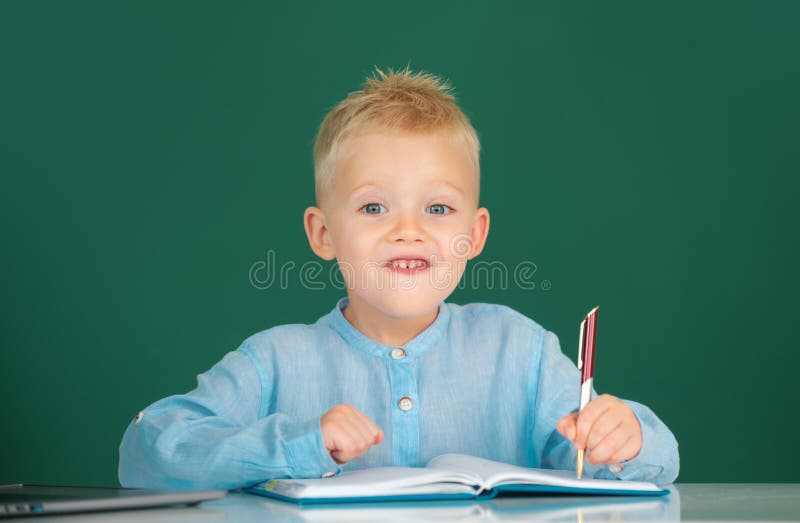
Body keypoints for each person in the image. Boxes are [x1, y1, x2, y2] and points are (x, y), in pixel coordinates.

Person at [118, 67, 679, 490]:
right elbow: (146, 451)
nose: (408, 231)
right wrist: (298, 445)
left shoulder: (521, 353)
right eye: (373, 209)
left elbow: (644, 463)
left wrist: (623, 440)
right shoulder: (275, 362)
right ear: (323, 235)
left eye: (437, 210)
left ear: (475, 235)